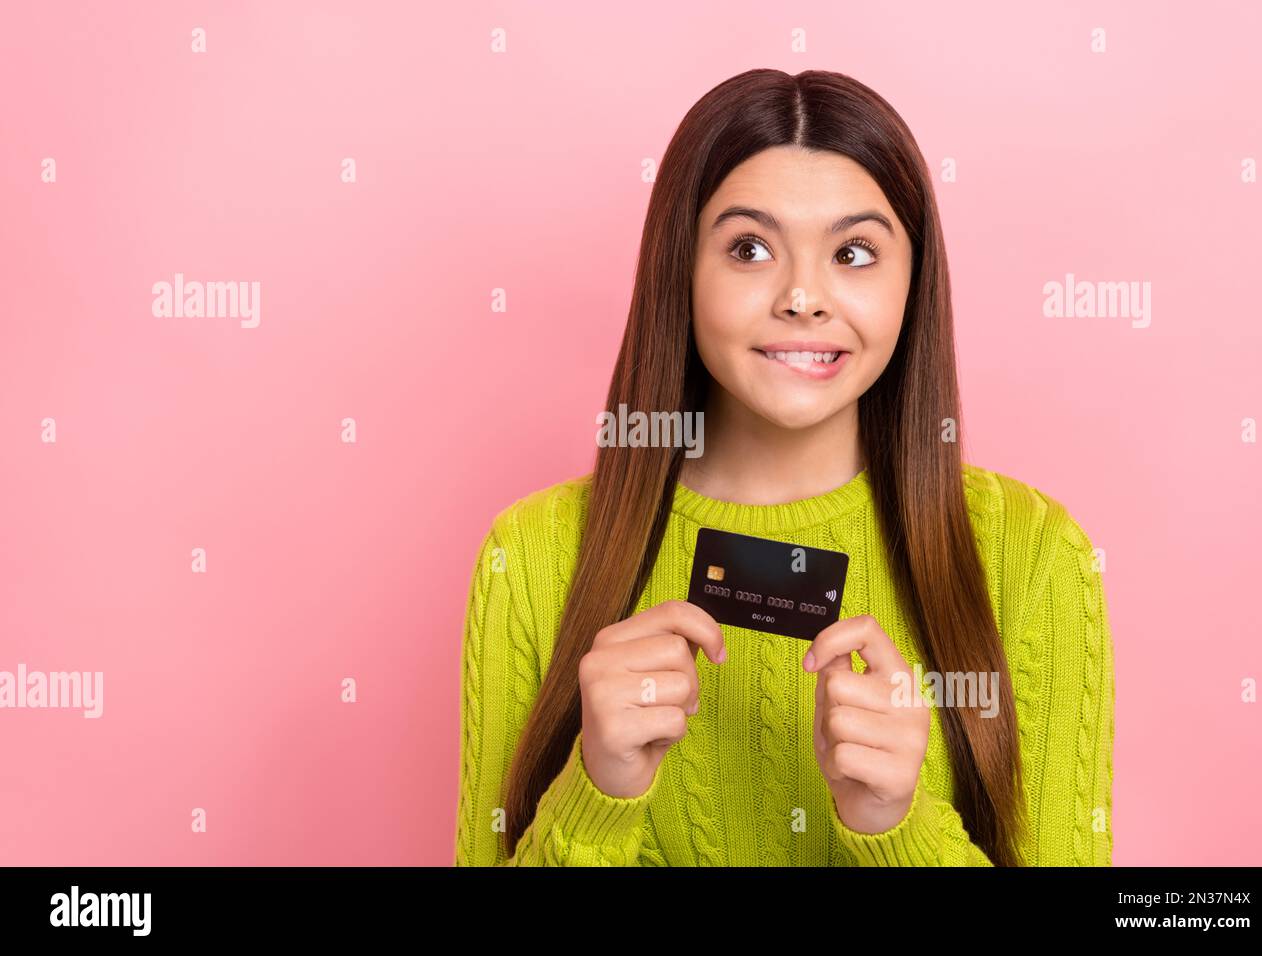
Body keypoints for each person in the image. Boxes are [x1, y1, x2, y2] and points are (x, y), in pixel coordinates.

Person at [454, 68, 1114, 866]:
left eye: (855, 251)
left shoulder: (1032, 553)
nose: (803, 295)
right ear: (682, 271)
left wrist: (895, 824)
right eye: (750, 248)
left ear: (914, 282)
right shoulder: (528, 555)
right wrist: (596, 794)